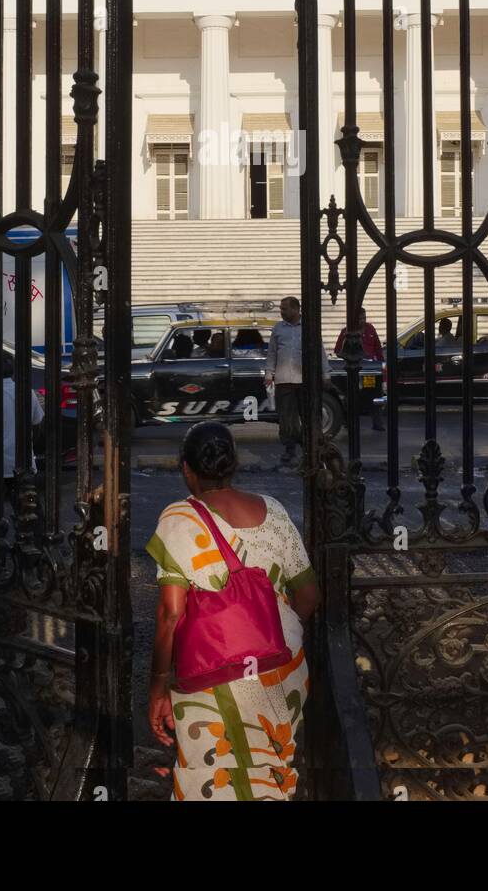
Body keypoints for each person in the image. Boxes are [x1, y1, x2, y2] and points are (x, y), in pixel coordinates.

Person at [146, 421, 319, 801]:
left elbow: (170, 615)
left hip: (212, 669)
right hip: (281, 663)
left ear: (186, 469)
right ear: (234, 463)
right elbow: (308, 594)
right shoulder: (273, 511)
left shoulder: (177, 520)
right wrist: (274, 626)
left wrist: (158, 684)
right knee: (271, 772)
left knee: (213, 775)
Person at [264, 296, 331, 468]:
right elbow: (272, 353)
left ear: (295, 309)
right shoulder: (278, 329)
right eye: (281, 308)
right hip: (284, 380)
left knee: (307, 417)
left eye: (284, 308)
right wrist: (269, 373)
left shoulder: (309, 328)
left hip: (305, 381)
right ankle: (290, 448)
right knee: (286, 419)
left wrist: (325, 374)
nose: (281, 311)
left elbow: (319, 351)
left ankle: (310, 448)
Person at [0, 351, 43, 504]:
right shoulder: (27, 393)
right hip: (23, 462)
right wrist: (29, 444)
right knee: (28, 510)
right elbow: (37, 424)